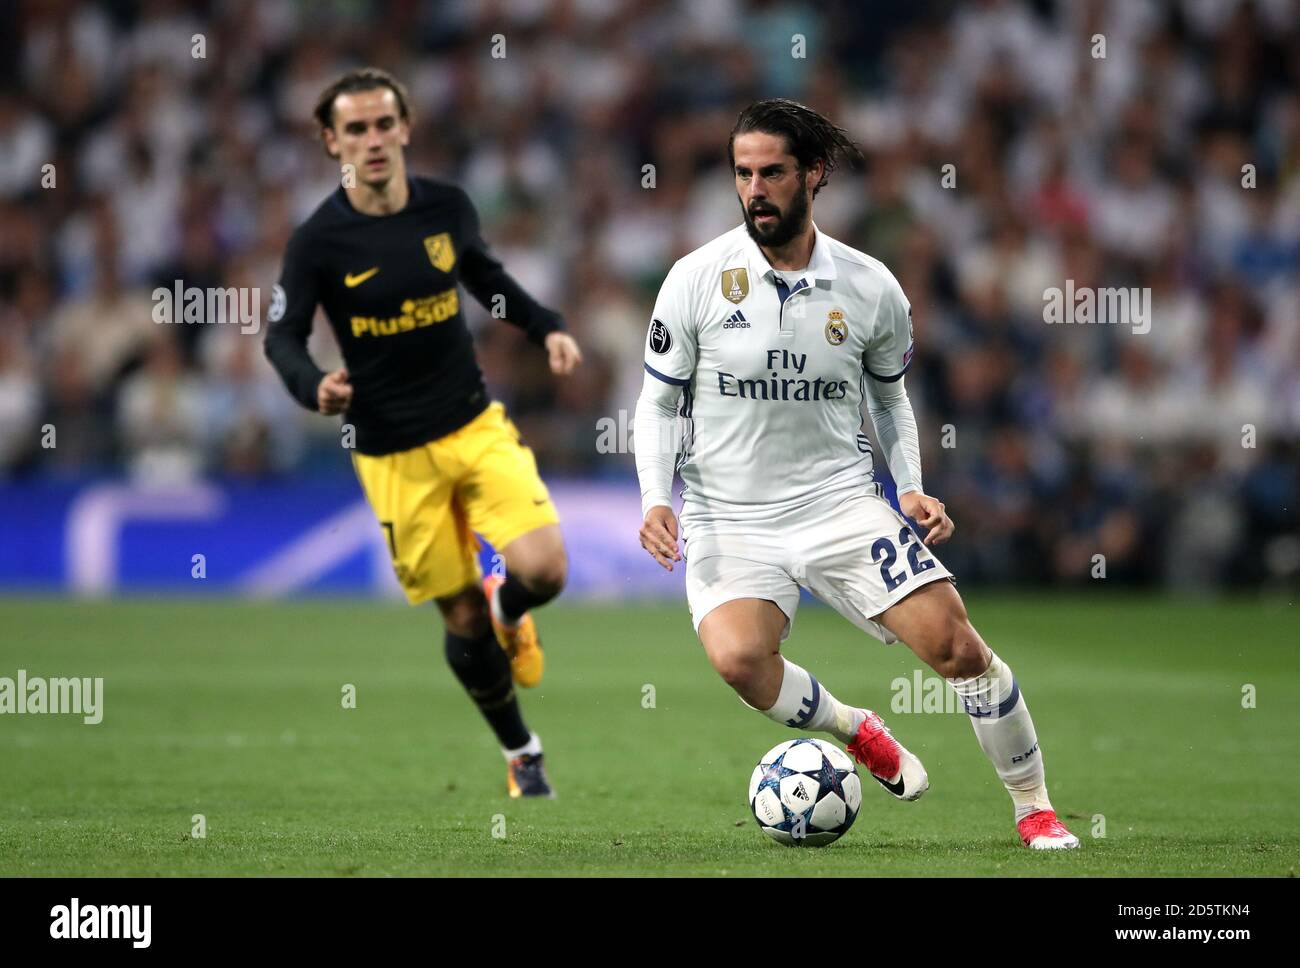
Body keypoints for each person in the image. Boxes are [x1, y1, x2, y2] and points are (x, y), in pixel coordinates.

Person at [634, 98, 1078, 848]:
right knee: (741, 658)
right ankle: (854, 727)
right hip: (729, 515)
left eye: (771, 172)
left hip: (840, 502)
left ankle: (1034, 807)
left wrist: (908, 486)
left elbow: (890, 398)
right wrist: (654, 497)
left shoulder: (871, 286)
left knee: (956, 648)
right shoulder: (695, 278)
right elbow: (657, 402)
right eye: (742, 174)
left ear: (814, 173)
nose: (754, 190)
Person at [265, 68, 583, 798]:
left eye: (384, 124)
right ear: (330, 142)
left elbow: (487, 279)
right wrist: (311, 383)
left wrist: (547, 327)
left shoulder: (445, 207)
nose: (373, 140)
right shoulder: (318, 241)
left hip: (473, 425)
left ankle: (514, 609)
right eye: (356, 129)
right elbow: (281, 335)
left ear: (405, 128)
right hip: (390, 452)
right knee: (460, 614)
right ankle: (522, 752)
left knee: (546, 569)